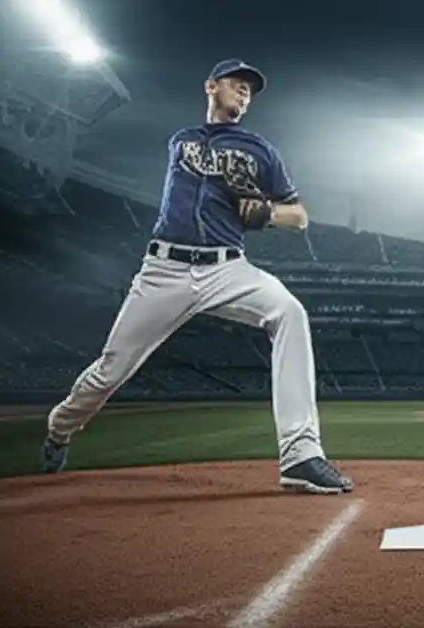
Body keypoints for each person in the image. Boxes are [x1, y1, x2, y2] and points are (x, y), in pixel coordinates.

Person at [41, 59, 352, 495]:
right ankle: (60, 426)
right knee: (110, 371)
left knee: (290, 313)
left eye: (250, 89)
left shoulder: (260, 149)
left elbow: (299, 216)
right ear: (211, 86)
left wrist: (268, 213)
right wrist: (234, 180)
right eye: (236, 84)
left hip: (227, 268)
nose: (244, 93)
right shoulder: (182, 140)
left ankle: (301, 456)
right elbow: (204, 172)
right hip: (163, 271)